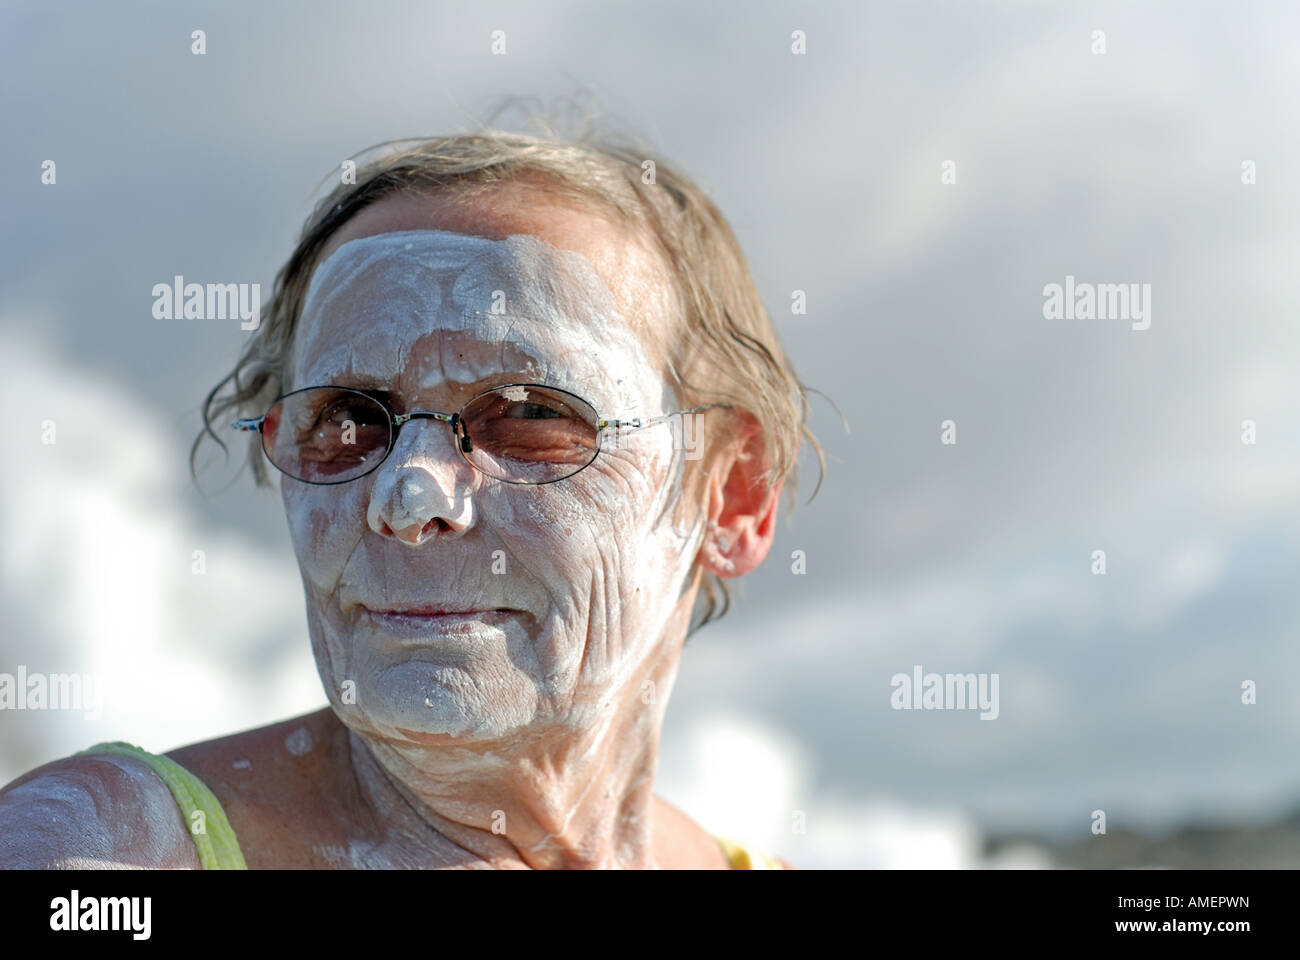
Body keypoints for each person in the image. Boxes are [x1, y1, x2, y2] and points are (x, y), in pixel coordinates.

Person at [0, 128, 824, 869]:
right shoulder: (101, 853)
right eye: (348, 421)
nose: (407, 497)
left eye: (531, 414)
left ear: (735, 496)